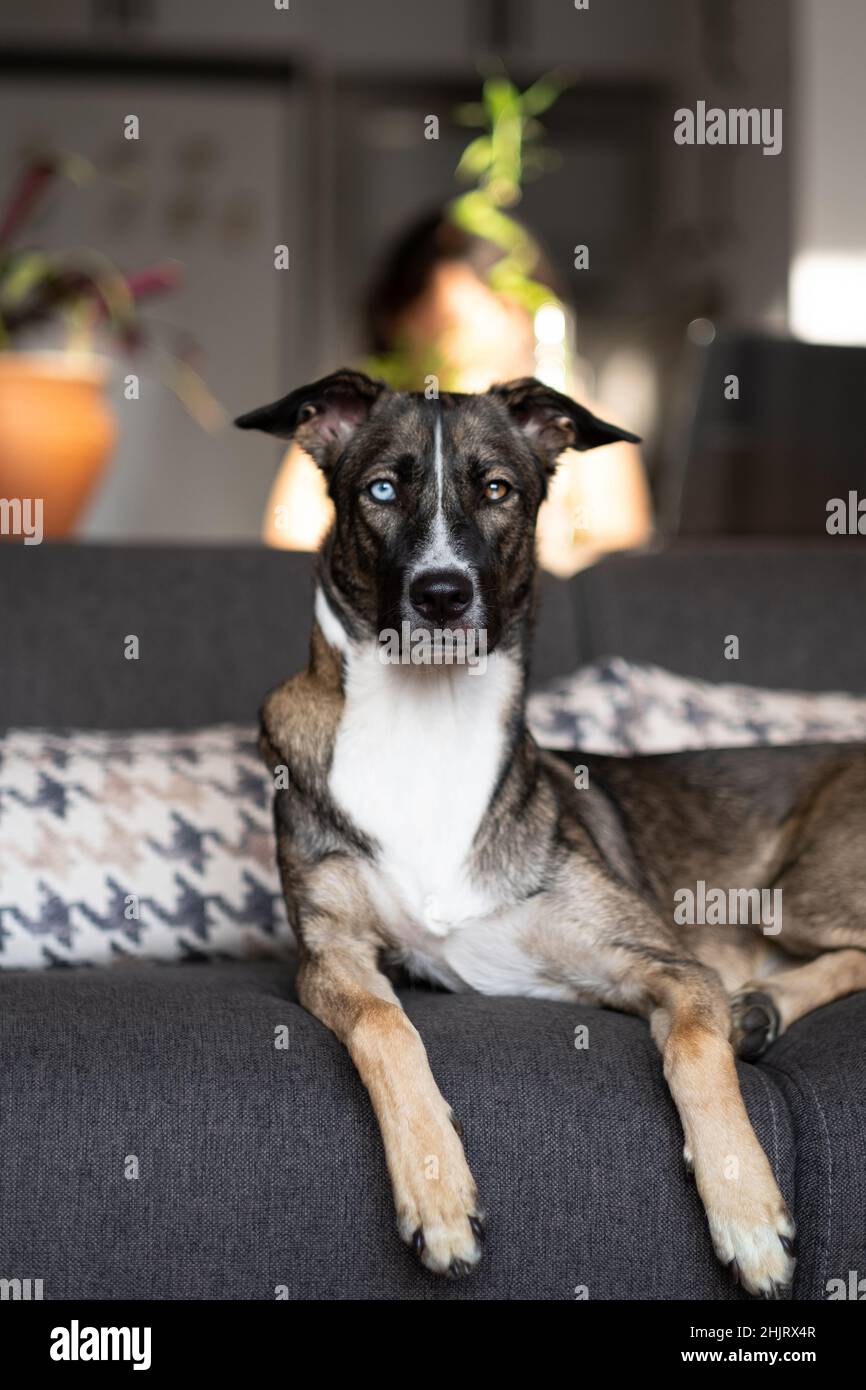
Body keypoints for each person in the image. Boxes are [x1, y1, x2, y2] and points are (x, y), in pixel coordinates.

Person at [263, 210, 651, 574]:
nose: (475, 350)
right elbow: (290, 561)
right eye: (451, 328)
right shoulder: (346, 430)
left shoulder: (578, 438)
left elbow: (620, 570)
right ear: (396, 322)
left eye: (504, 319)